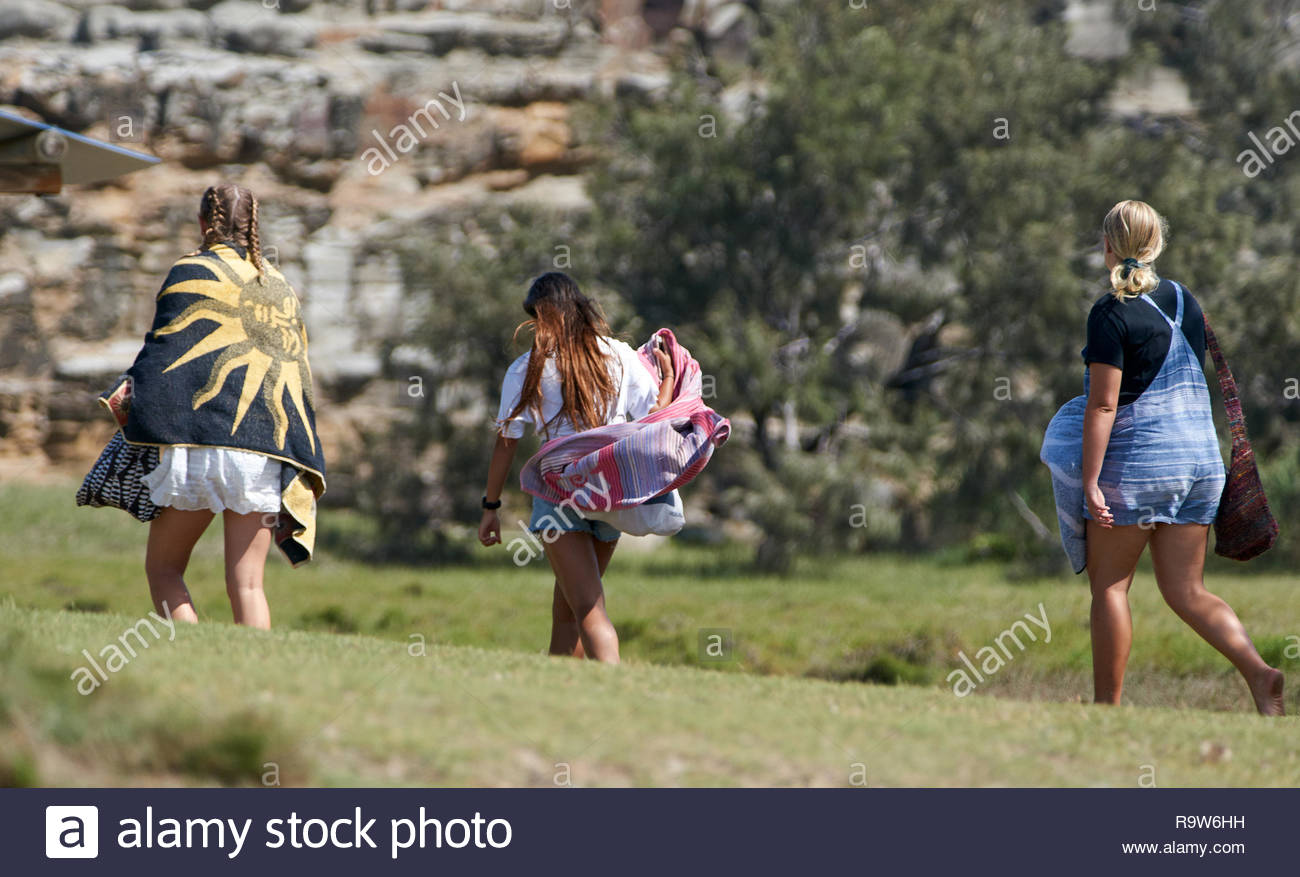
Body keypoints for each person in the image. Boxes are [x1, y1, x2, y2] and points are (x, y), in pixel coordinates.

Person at [1081, 199, 1283, 715]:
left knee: (1109, 586)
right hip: (1200, 464)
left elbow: (1105, 403)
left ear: (1107, 245)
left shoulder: (1110, 312)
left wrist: (1089, 480)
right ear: (1156, 245)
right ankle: (1260, 676)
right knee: (1187, 590)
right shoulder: (1183, 299)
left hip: (1142, 463)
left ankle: (1106, 708)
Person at [123, 182, 326, 629]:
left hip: (197, 447)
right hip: (262, 451)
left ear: (202, 223)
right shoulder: (278, 284)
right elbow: (294, 372)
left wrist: (131, 398)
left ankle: (189, 660)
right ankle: (258, 679)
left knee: (164, 570)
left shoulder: (189, 270)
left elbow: (162, 354)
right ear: (255, 226)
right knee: (248, 584)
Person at [477, 272, 674, 663]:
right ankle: (561, 685)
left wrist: (491, 507)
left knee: (588, 609)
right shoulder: (620, 355)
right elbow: (655, 420)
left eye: (536, 318)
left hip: (559, 494)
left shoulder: (528, 366)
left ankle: (615, 692)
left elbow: (506, 443)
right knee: (567, 608)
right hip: (611, 491)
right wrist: (668, 379)